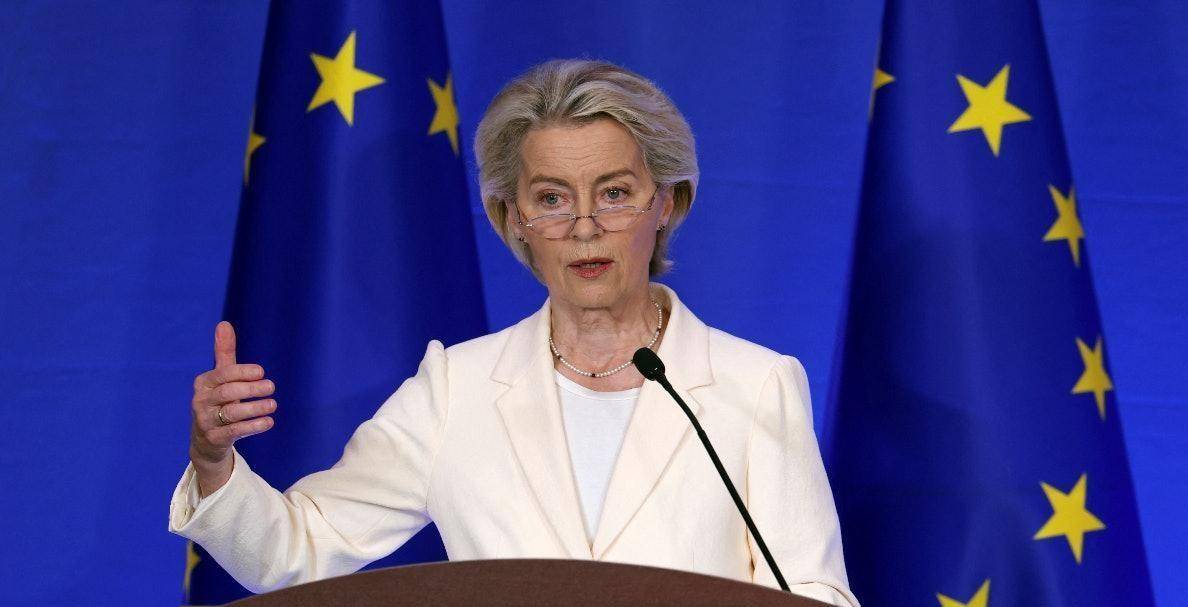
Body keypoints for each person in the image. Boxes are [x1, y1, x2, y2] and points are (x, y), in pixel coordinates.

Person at [170, 59, 859, 606]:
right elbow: (296, 549)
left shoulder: (754, 384)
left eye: (615, 193)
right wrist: (213, 460)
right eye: (551, 198)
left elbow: (813, 593)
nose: (584, 226)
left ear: (666, 203)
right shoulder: (457, 388)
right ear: (513, 219)